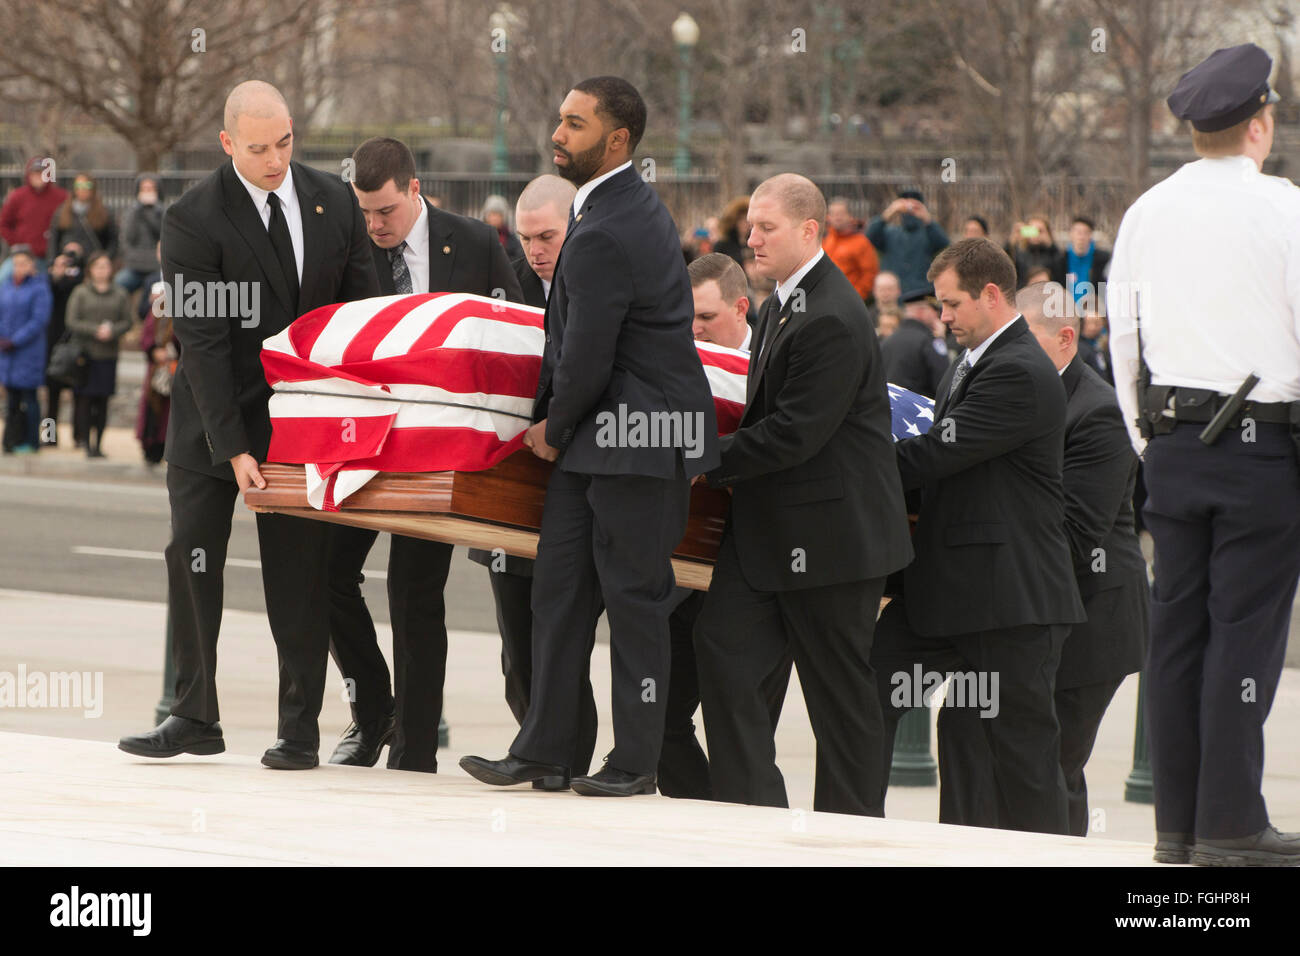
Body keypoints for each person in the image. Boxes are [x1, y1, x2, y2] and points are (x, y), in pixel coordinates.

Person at [460, 75, 719, 797]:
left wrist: (552, 426)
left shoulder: (608, 226)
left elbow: (588, 352)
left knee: (636, 601)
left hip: (635, 438)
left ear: (617, 141)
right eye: (559, 119)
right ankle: (544, 747)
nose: (557, 135)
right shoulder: (613, 209)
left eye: (574, 124)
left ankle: (635, 762)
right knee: (560, 592)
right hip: (599, 440)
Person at [117, 80, 380, 769]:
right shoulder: (193, 217)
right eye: (259, 148)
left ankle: (299, 730)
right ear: (229, 143)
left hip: (301, 423)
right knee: (193, 557)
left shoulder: (332, 202)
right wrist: (232, 448)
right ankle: (193, 713)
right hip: (213, 419)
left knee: (299, 574)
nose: (275, 160)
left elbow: (357, 319)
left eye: (285, 143)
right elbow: (200, 343)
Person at [1109, 42, 1300, 866]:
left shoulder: (1147, 210)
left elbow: (1121, 341)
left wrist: (1149, 441)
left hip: (1173, 447)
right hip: (1262, 451)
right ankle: (1229, 824)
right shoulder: (1286, 210)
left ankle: (1175, 829)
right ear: (1261, 123)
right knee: (1243, 638)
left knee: (1177, 635)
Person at [693, 174, 913, 815]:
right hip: (771, 533)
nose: (750, 237)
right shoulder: (783, 304)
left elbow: (795, 434)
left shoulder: (833, 317)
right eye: (751, 226)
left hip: (832, 541)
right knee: (724, 650)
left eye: (767, 228)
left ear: (810, 231)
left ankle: (852, 834)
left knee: (838, 698)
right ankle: (752, 810)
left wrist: (702, 459)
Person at [871, 237, 1084, 834]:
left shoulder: (1016, 369)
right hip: (956, 591)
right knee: (877, 701)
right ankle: (856, 828)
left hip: (1010, 601)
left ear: (991, 295)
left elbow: (940, 452)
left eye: (951, 304)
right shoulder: (977, 360)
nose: (943, 317)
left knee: (1022, 761)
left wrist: (854, 464)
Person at [327, 136, 523, 772]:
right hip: (364, 446)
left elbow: (511, 333)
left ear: (414, 190)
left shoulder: (472, 244)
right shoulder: (349, 244)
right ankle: (373, 709)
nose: (374, 225)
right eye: (363, 212)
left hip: (438, 451)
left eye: (384, 211)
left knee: (415, 596)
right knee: (324, 577)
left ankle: (413, 751)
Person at [937, 280, 1148, 836]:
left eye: (1022, 339)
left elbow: (1078, 534)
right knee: (971, 740)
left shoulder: (1099, 410)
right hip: (1015, 610)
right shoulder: (1002, 387)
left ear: (1065, 339)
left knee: (1048, 767)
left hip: (1088, 620)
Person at [465, 174, 596, 791]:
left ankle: (565, 758)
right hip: (508, 489)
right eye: (526, 237)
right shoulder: (507, 286)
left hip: (578, 483)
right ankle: (540, 749)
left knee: (563, 636)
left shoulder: (601, 280)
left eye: (548, 235)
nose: (536, 249)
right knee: (518, 644)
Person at [64, 251, 133, 458]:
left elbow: (127, 321)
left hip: (108, 354)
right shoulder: (81, 292)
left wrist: (113, 331)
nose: (103, 270)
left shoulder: (120, 293)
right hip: (85, 354)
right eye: (98, 266)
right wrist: (94, 330)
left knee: (103, 401)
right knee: (84, 399)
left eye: (106, 266)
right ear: (90, 270)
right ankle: (85, 442)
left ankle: (99, 444)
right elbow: (72, 321)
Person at [0, 246, 53, 454]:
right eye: (16, 264)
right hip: (7, 351)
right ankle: (10, 440)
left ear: (32, 265)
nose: (19, 268)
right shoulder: (6, 286)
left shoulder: (40, 288)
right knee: (11, 399)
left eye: (24, 264)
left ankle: (32, 440)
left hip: (28, 351)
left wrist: (16, 340)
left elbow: (39, 320)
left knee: (29, 398)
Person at [43, 243, 85, 446]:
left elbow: (78, 283)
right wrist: (56, 273)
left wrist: (77, 265)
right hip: (53, 342)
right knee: (52, 395)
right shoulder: (50, 283)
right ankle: (49, 437)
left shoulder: (80, 281)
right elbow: (51, 290)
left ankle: (79, 437)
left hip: (77, 342)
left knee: (78, 393)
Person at [0, 157, 67, 284]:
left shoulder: (61, 197)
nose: (38, 176)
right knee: (3, 278)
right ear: (28, 175)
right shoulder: (17, 196)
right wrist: (17, 243)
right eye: (35, 173)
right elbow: (3, 224)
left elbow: (69, 225)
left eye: (42, 173)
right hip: (21, 257)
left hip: (49, 258)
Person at [866, 190, 949, 292]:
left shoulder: (928, 233)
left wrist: (927, 219)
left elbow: (943, 244)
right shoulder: (889, 233)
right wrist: (889, 213)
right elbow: (869, 237)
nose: (910, 212)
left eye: (915, 207)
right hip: (894, 292)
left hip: (919, 292)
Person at [881, 284, 949, 398]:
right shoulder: (929, 342)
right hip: (920, 411)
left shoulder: (887, 341)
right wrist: (941, 339)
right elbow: (944, 383)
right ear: (921, 311)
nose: (938, 315)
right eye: (934, 310)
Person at [137, 279, 174, 465]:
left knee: (170, 413)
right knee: (152, 408)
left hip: (174, 367)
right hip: (156, 370)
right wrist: (154, 351)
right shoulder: (155, 314)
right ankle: (150, 447)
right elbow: (146, 336)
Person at [688, 251, 751, 351]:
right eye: (688, 318)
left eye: (706, 317)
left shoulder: (775, 359)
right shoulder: (682, 359)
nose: (694, 330)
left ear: (740, 309)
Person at [51, 174, 118, 264]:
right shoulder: (63, 211)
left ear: (93, 189)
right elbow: (54, 239)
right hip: (69, 262)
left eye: (87, 186)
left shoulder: (104, 212)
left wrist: (105, 260)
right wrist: (55, 260)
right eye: (78, 186)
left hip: (93, 263)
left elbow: (113, 240)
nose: (82, 189)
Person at [822, 198, 879, 302]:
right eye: (833, 214)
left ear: (850, 216)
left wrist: (854, 297)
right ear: (828, 217)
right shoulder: (825, 240)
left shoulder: (861, 242)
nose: (837, 217)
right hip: (826, 299)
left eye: (841, 213)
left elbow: (869, 274)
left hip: (849, 300)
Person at [116, 175, 164, 293]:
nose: (147, 192)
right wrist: (137, 210)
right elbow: (129, 236)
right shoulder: (131, 211)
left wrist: (155, 211)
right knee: (118, 284)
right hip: (135, 265)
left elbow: (161, 234)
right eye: (144, 189)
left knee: (152, 286)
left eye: (151, 189)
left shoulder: (163, 211)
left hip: (156, 266)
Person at [1008, 214, 1064, 289]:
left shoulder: (1053, 253)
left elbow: (1061, 274)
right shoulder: (1020, 253)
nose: (1036, 234)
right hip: (1024, 294)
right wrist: (1011, 242)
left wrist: (1050, 244)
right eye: (1032, 230)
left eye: (1040, 231)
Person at [1064, 216, 1110, 305]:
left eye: (1085, 233)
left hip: (1093, 312)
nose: (1081, 237)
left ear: (1090, 235)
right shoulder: (1061, 259)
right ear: (1071, 234)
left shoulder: (1102, 260)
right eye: (1078, 232)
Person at [482, 194, 525, 262]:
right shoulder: (479, 235)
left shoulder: (512, 240)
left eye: (498, 214)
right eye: (492, 214)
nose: (495, 218)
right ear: (486, 216)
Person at [713, 196, 750, 266]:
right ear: (734, 221)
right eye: (741, 219)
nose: (746, 223)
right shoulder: (722, 245)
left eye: (747, 218)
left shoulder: (753, 242)